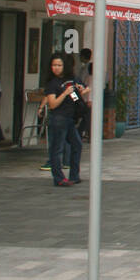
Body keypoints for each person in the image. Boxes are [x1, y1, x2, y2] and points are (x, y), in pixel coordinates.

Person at [43, 52, 85, 187]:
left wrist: (79, 91)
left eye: (59, 65)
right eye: (54, 65)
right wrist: (64, 93)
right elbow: (53, 104)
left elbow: (76, 97)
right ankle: (59, 178)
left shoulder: (69, 80)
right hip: (58, 118)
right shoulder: (52, 84)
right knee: (57, 149)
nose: (56, 68)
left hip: (69, 118)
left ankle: (74, 175)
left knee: (77, 144)